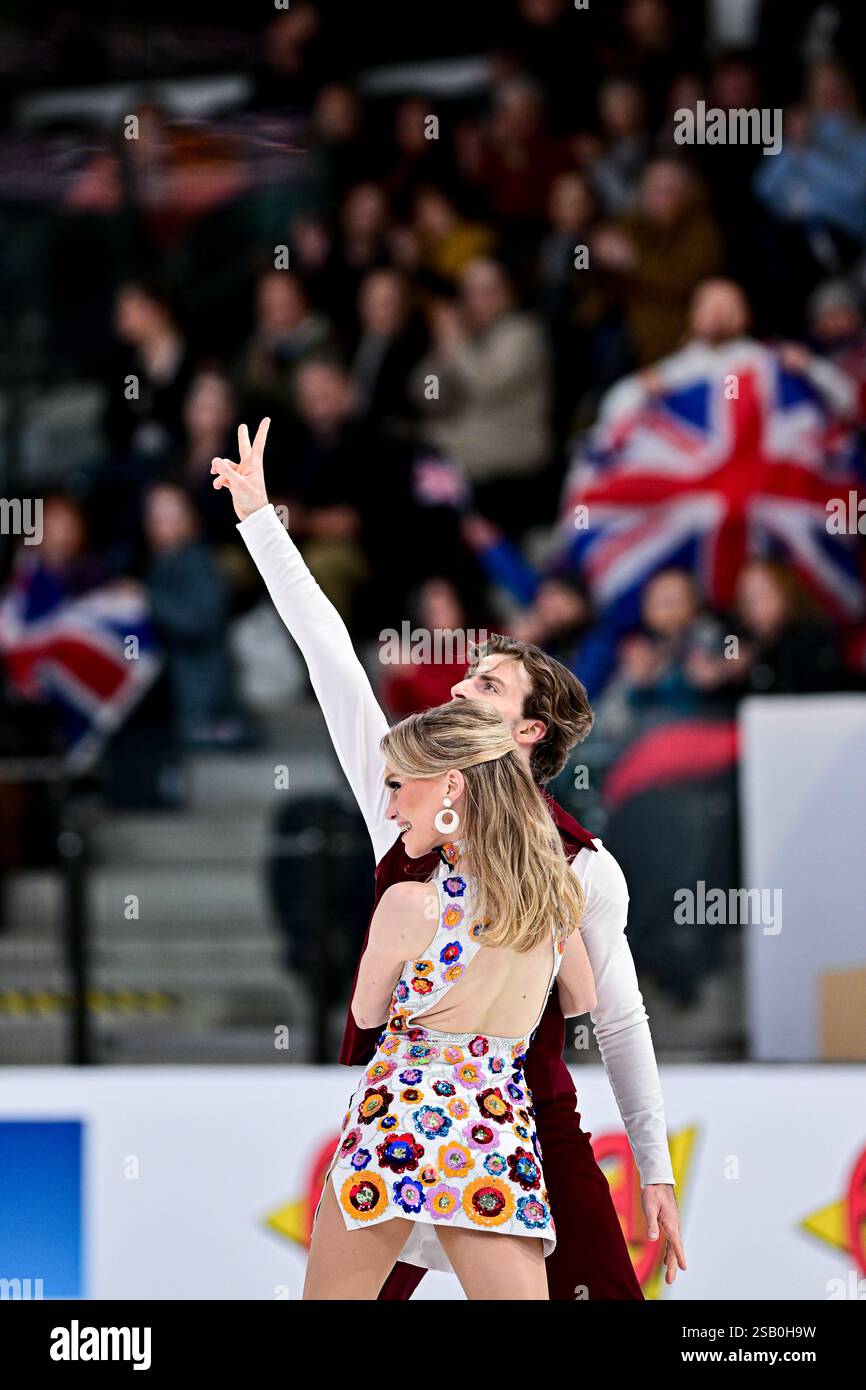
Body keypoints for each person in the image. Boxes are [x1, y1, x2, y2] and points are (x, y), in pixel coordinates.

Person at [210, 420, 686, 1300]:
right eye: (468, 678)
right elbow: (330, 660)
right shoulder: (408, 797)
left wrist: (653, 1166)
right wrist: (260, 521)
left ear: (529, 732)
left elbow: (611, 1020)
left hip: (525, 1119)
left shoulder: (582, 868)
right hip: (417, 1122)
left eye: (488, 686)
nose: (461, 685)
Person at [303, 700, 596, 1299]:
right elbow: (582, 995)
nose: (388, 808)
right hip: (495, 1122)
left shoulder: (413, 905)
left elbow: (365, 1015)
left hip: (399, 1121)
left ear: (451, 786)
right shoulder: (555, 896)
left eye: (397, 785)